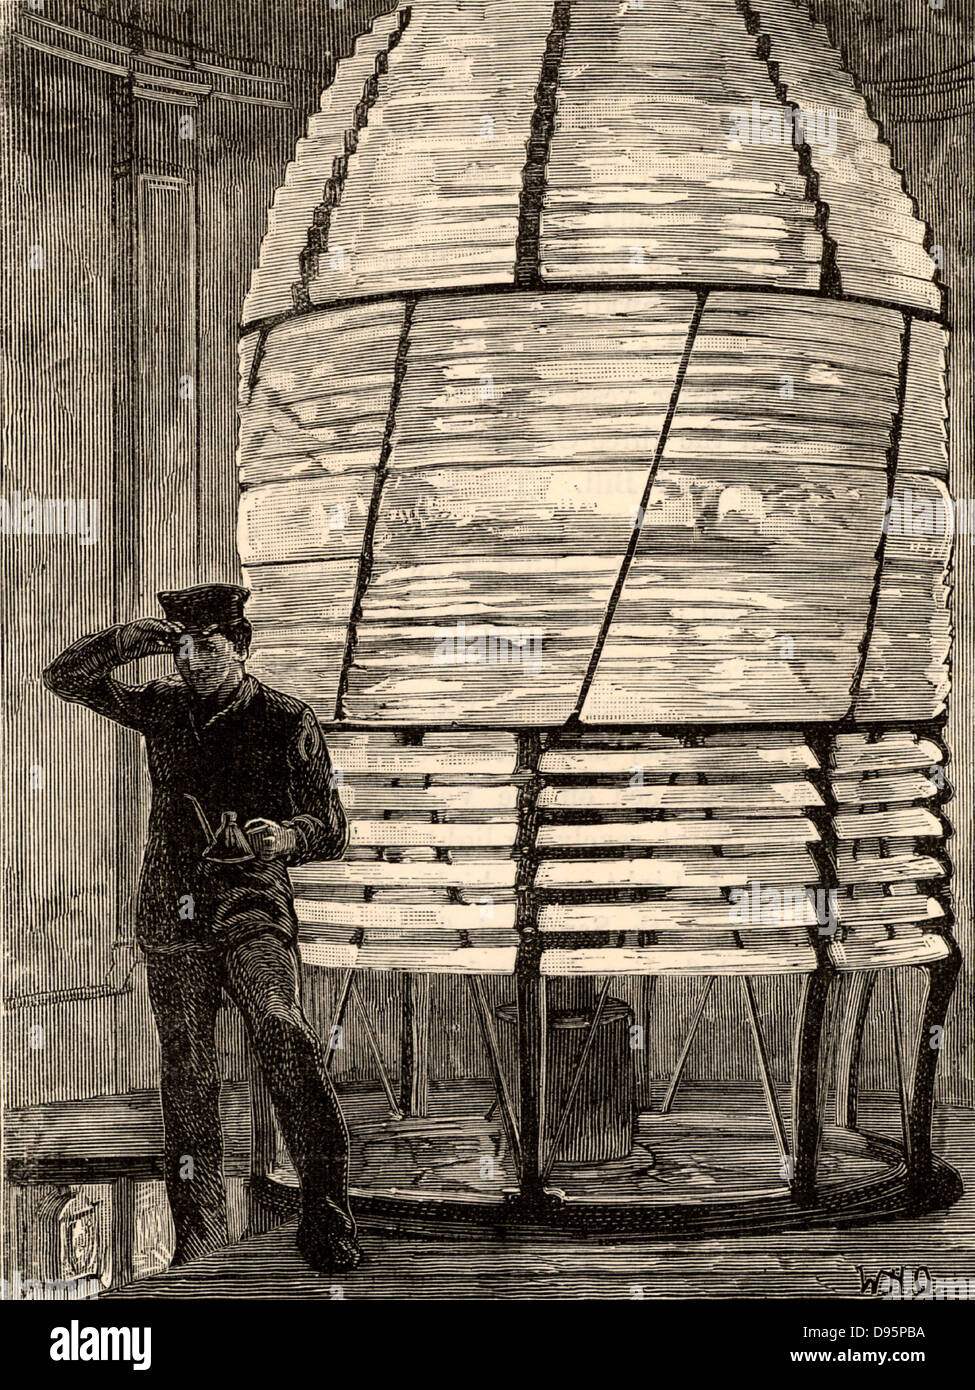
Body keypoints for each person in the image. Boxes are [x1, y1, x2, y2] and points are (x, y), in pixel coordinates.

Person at [43, 583, 359, 1274]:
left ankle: (327, 1216)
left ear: (242, 649)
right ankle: (201, 1234)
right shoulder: (162, 706)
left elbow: (330, 828)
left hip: (250, 908)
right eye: (181, 645)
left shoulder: (286, 719)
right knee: (187, 1071)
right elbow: (62, 678)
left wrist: (284, 838)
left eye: (207, 646)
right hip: (172, 912)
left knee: (284, 1033)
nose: (191, 660)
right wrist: (131, 639)